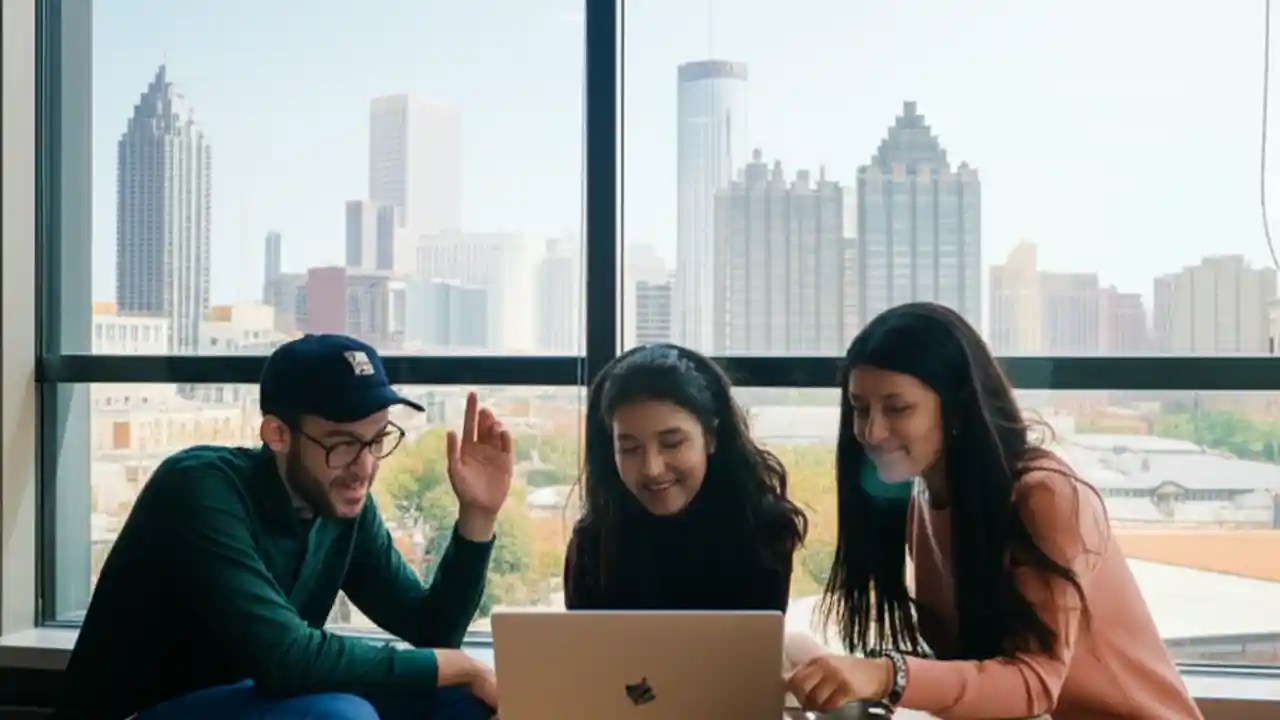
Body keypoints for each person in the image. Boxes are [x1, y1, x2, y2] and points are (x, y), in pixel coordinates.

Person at [57, 335, 515, 720]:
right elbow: (287, 659)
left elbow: (433, 634)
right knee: (340, 717)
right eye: (342, 444)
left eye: (376, 440)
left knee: (461, 702)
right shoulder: (197, 489)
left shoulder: (343, 507)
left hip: (260, 701)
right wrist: (464, 666)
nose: (364, 468)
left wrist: (478, 516)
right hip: (143, 712)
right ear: (277, 434)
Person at [785, 303, 1203, 720]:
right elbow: (976, 671)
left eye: (898, 409)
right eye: (860, 408)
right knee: (793, 651)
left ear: (957, 408)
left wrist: (888, 676)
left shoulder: (1045, 496)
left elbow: (1036, 681)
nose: (871, 432)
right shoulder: (926, 503)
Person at [563, 343, 807, 612]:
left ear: (710, 437)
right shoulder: (595, 542)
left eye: (672, 443)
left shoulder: (762, 531)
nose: (652, 469)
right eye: (629, 448)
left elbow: (757, 634)